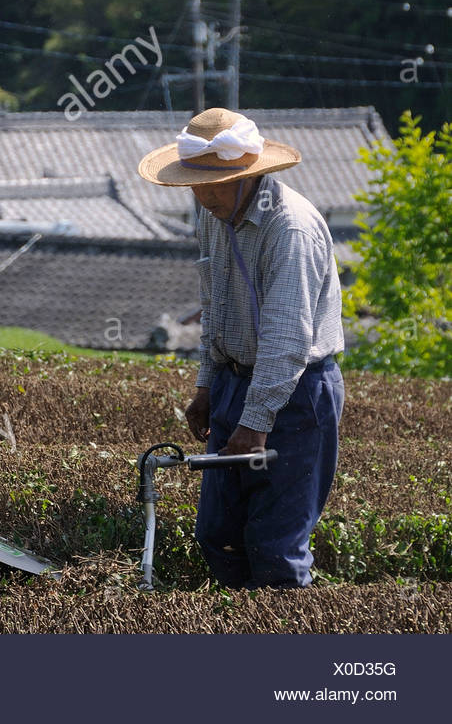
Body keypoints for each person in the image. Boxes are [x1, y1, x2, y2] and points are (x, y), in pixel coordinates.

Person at [137, 107, 345, 588]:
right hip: (234, 382)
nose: (202, 197)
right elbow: (214, 304)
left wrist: (255, 423)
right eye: (194, 185)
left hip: (294, 396)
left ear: (245, 176)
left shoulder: (289, 228)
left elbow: (288, 339)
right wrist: (208, 386)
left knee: (274, 547)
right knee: (217, 534)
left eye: (211, 186)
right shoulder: (214, 214)